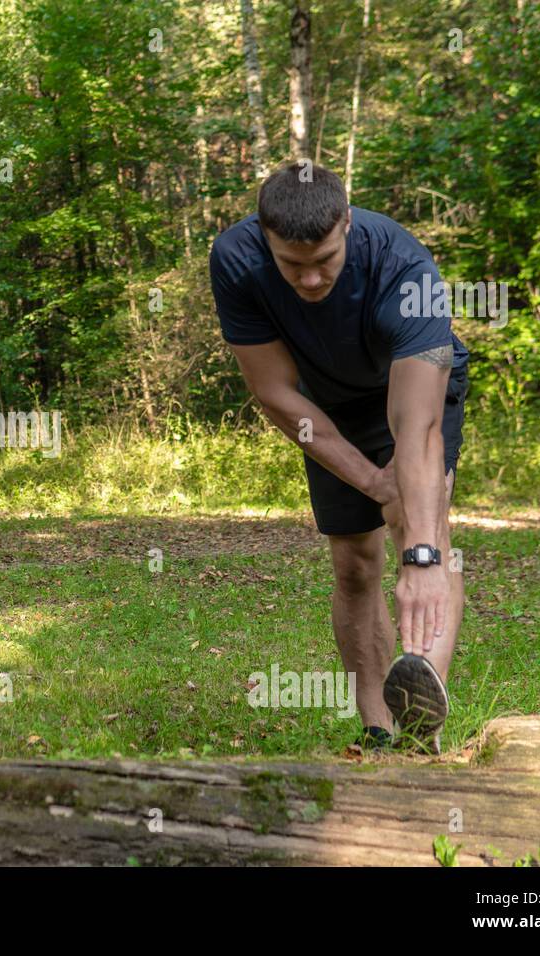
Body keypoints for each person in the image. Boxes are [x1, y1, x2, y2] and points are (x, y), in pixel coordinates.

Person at [209, 161, 469, 753]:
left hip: (414, 393)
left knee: (420, 529)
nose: (309, 279)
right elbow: (274, 391)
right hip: (325, 405)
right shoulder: (235, 259)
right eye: (291, 265)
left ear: (348, 223)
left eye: (324, 260)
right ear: (264, 236)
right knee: (354, 563)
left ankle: (420, 727)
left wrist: (422, 551)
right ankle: (380, 731)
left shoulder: (407, 269)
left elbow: (419, 426)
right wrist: (371, 483)